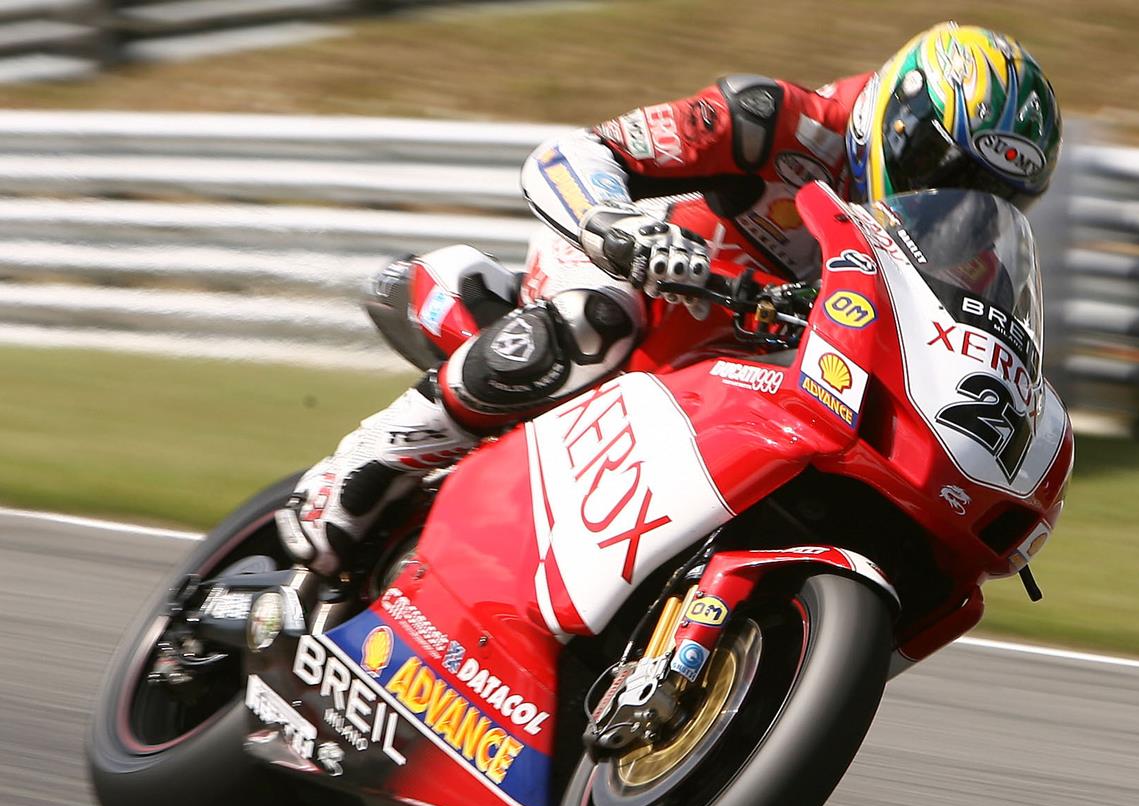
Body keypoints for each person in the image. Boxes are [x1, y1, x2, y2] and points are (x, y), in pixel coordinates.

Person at [276, 22, 1063, 575]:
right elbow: (577, 151)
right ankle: (361, 467)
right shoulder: (777, 122)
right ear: (901, 123)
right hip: (639, 281)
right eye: (946, 169)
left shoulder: (964, 246)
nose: (958, 201)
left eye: (993, 195)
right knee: (597, 322)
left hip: (740, 374)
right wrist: (613, 226)